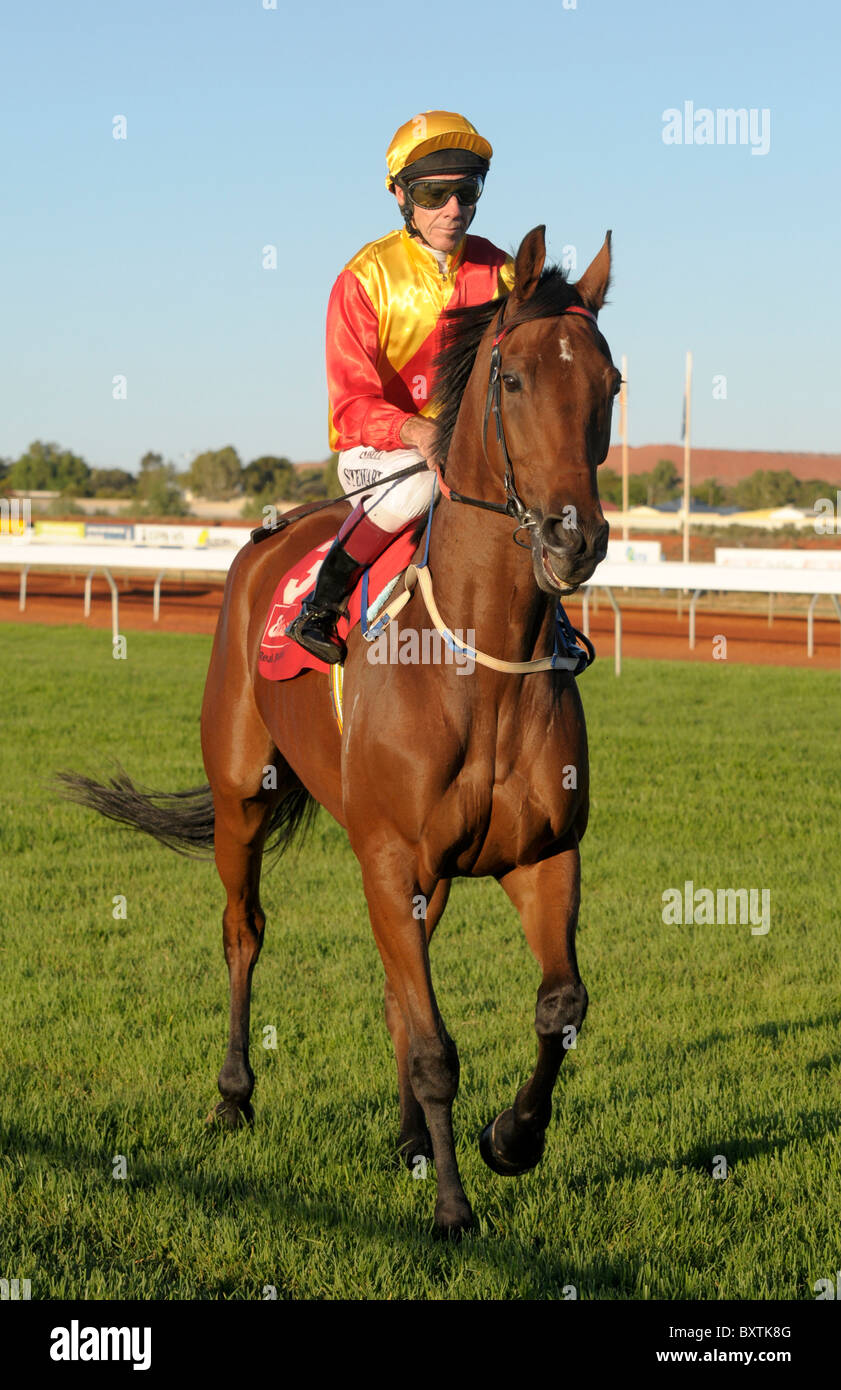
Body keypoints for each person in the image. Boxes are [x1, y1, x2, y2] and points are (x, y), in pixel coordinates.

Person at [286, 110, 515, 664]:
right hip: (382, 453)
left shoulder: (502, 273)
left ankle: (549, 633)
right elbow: (351, 406)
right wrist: (417, 430)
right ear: (399, 194)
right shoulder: (363, 278)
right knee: (421, 490)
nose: (453, 209)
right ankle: (321, 603)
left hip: (468, 451)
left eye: (467, 190)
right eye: (435, 194)